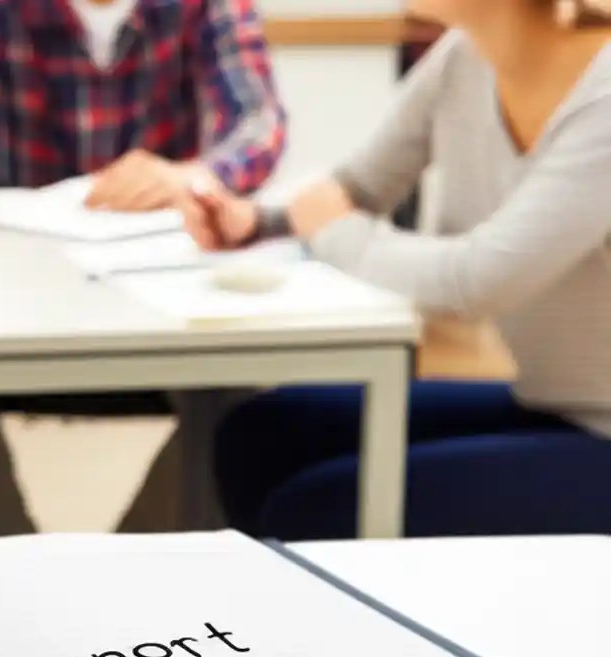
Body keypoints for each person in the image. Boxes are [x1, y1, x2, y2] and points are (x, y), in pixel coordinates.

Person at [184, 0, 611, 539]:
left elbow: (474, 283)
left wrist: (327, 230)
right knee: (258, 436)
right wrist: (256, 221)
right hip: (556, 403)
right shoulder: (466, 57)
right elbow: (359, 186)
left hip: (601, 429)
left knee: (317, 510)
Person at [0, 0, 287, 537]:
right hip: (22, 298)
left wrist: (194, 177)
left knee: (240, 391)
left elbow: (258, 122)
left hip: (162, 296)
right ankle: (19, 561)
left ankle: (115, 569)